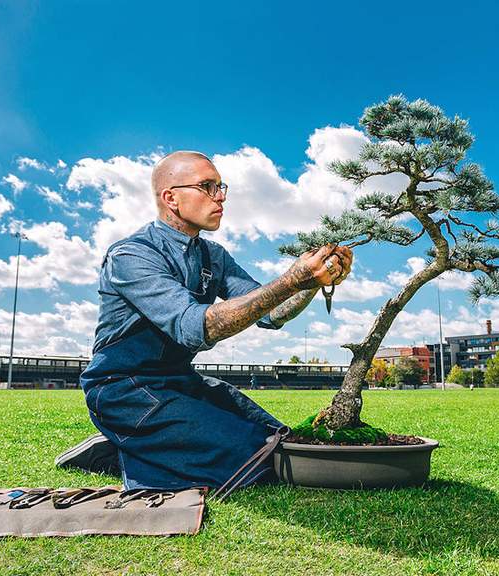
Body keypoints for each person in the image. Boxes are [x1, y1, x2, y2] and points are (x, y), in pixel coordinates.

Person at [56, 151, 353, 492]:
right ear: (171, 198)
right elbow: (196, 326)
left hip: (181, 381)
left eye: (221, 187)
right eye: (208, 187)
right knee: (258, 460)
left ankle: (143, 444)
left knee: (282, 443)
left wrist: (314, 281)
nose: (221, 196)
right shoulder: (131, 255)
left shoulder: (214, 256)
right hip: (124, 390)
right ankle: (117, 453)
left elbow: (271, 312)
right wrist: (291, 280)